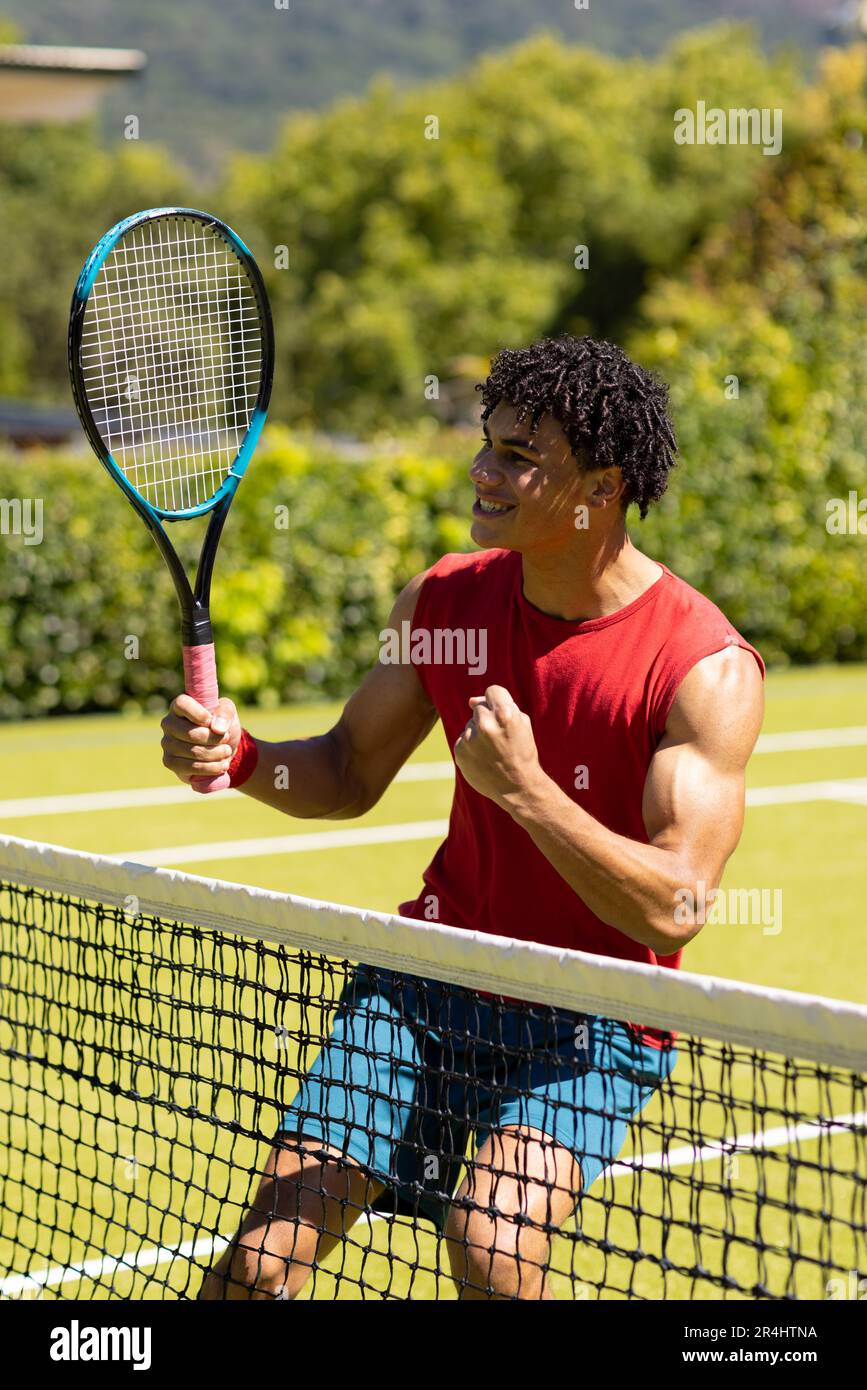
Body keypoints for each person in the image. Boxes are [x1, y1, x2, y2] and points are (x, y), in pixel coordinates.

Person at [160, 335, 765, 1300]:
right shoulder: (446, 599)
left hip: (594, 1017)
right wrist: (242, 762)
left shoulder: (702, 668)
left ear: (600, 488)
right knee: (261, 1263)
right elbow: (348, 769)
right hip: (429, 982)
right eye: (486, 443)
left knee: (491, 1247)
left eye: (519, 458)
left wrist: (527, 793)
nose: (481, 471)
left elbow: (674, 907)